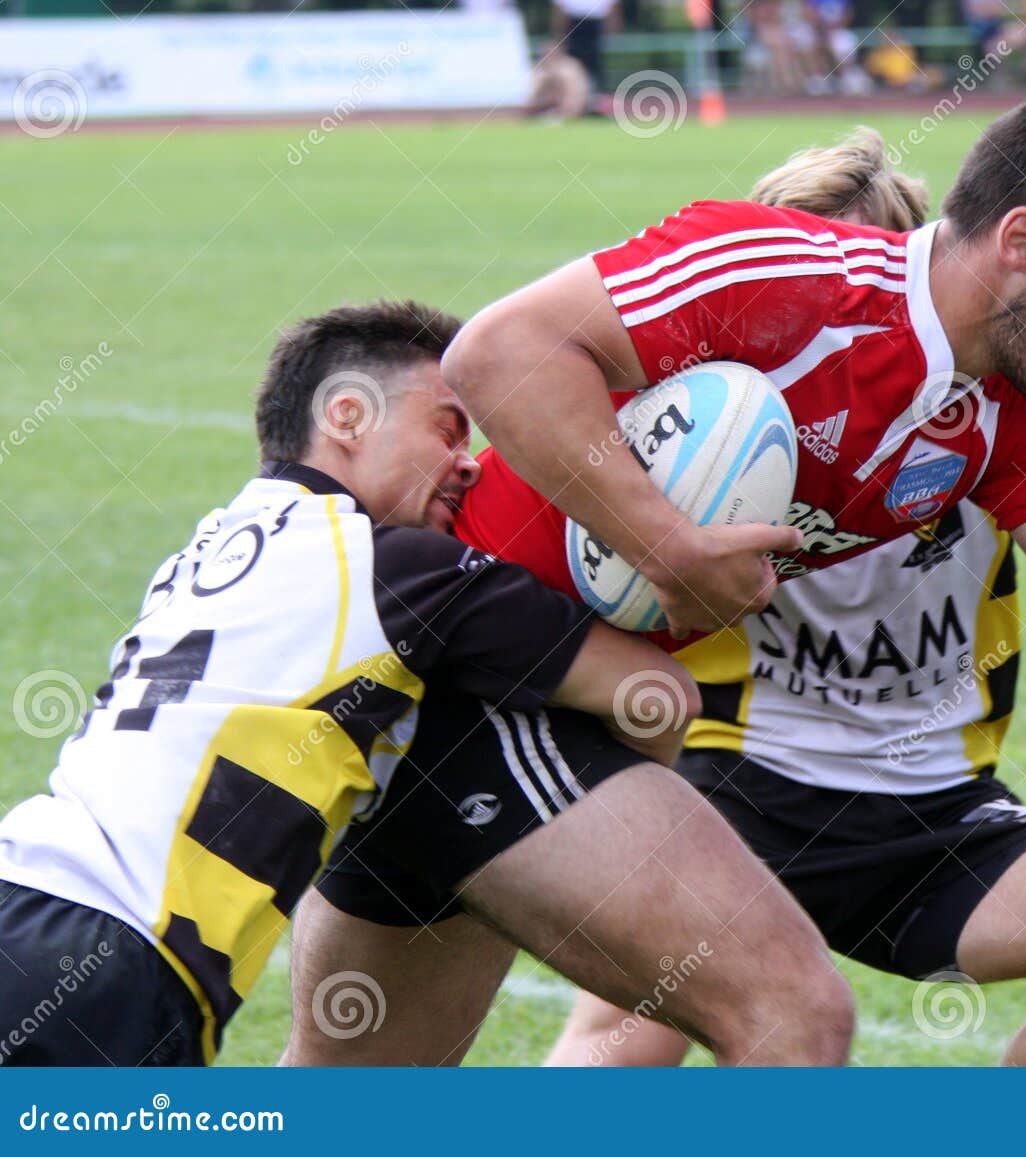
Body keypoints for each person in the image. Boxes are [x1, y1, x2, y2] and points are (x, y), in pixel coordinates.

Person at [286, 105, 1026, 1067]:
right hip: (473, 675)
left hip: (543, 719)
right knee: (791, 1014)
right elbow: (497, 354)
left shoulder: (1007, 414)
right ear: (1020, 241)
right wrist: (674, 545)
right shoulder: (786, 273)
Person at [0, 301, 848, 1067]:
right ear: (346, 414)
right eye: (448, 428)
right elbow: (656, 695)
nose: (470, 465)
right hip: (112, 960)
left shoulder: (198, 555)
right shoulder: (404, 568)